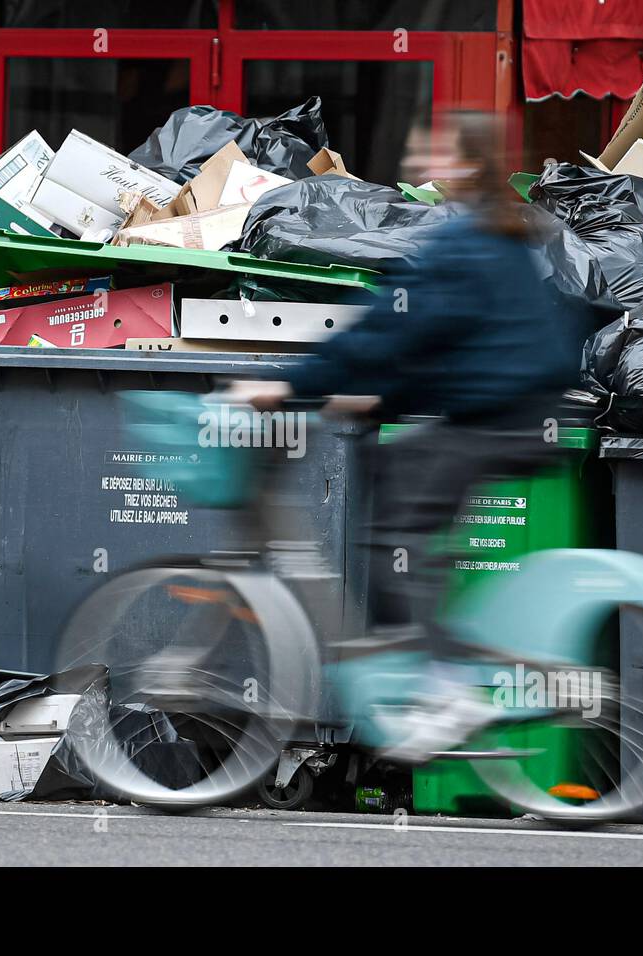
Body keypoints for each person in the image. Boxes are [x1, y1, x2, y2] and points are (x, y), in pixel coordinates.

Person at [231, 113, 583, 749]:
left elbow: (390, 332)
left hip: (498, 421)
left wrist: (290, 385)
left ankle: (444, 688)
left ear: (469, 164)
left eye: (436, 151)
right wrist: (377, 397)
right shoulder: (501, 232)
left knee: (392, 533)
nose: (423, 161)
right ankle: (443, 657)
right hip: (515, 414)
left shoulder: (466, 240)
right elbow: (452, 346)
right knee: (404, 499)